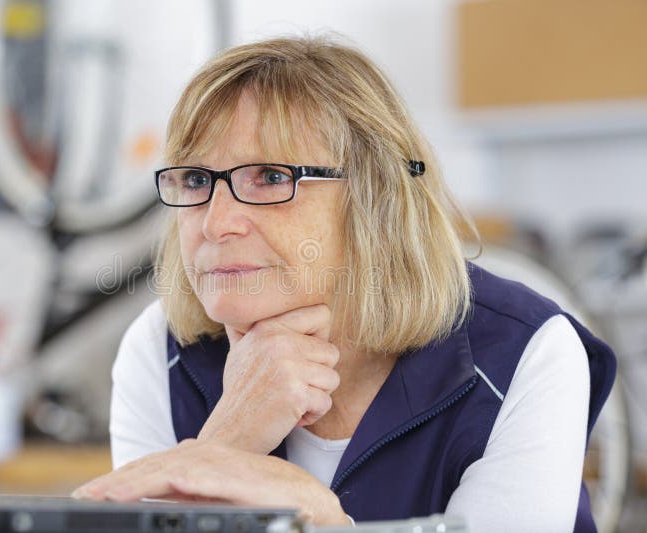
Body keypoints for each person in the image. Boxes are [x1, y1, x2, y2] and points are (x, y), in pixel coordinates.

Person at [73, 36, 617, 531]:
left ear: (374, 199)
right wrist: (229, 441)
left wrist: (319, 518)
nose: (215, 223)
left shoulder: (529, 354)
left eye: (270, 177)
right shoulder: (158, 350)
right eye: (195, 179)